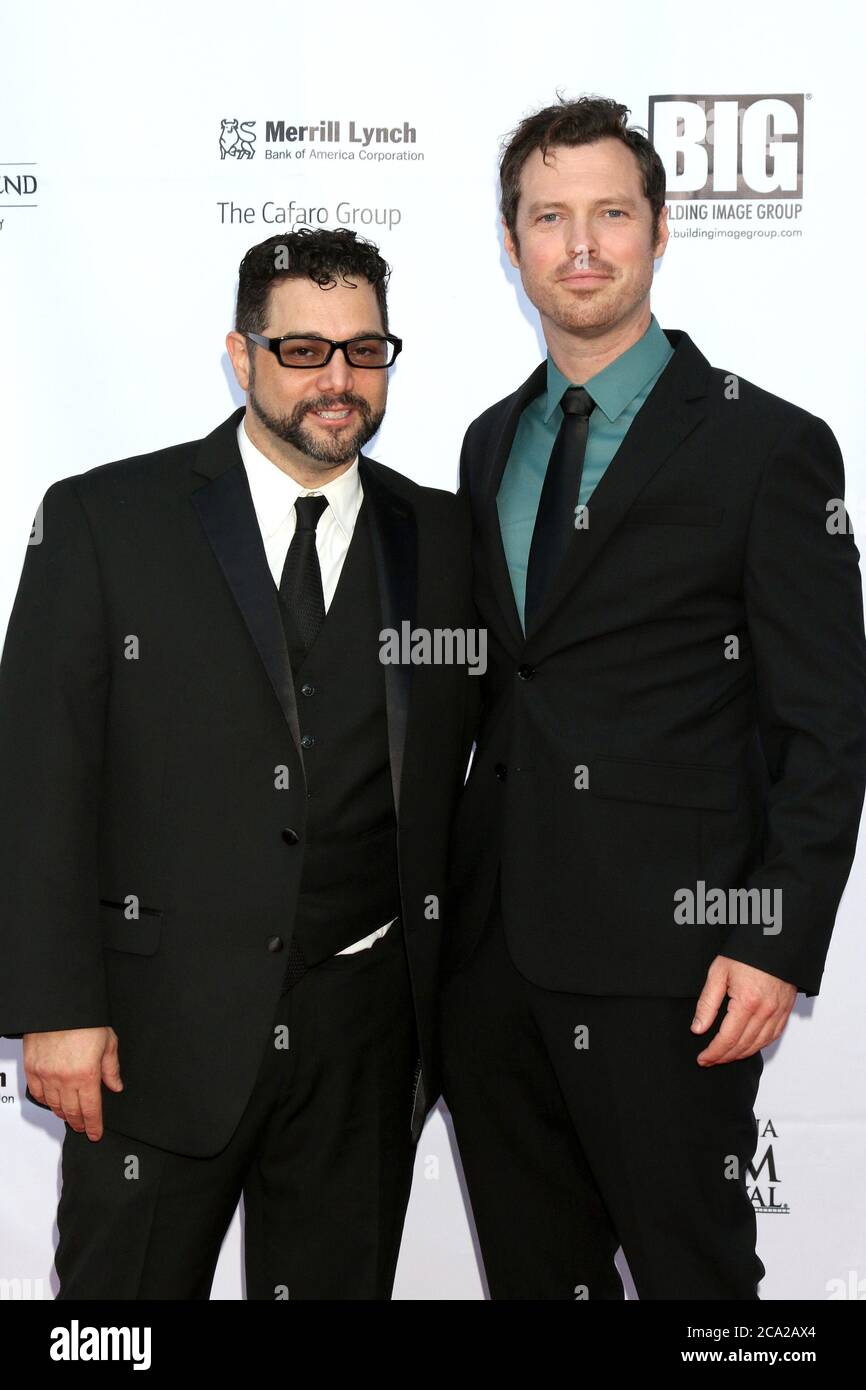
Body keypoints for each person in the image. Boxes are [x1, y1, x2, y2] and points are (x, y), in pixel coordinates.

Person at [439, 95, 866, 1299]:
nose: (579, 243)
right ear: (512, 243)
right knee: (537, 1276)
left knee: (697, 1284)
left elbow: (825, 718)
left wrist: (773, 934)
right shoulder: (486, 442)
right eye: (548, 215)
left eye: (609, 212)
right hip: (495, 961)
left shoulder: (765, 445)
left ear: (660, 229)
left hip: (675, 967)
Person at [0, 227, 477, 1299]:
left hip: (364, 1029)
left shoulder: (443, 539)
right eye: (303, 350)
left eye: (364, 350)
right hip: (151, 1029)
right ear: (240, 353)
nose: (338, 379)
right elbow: (38, 778)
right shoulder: (105, 519)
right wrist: (55, 1006)